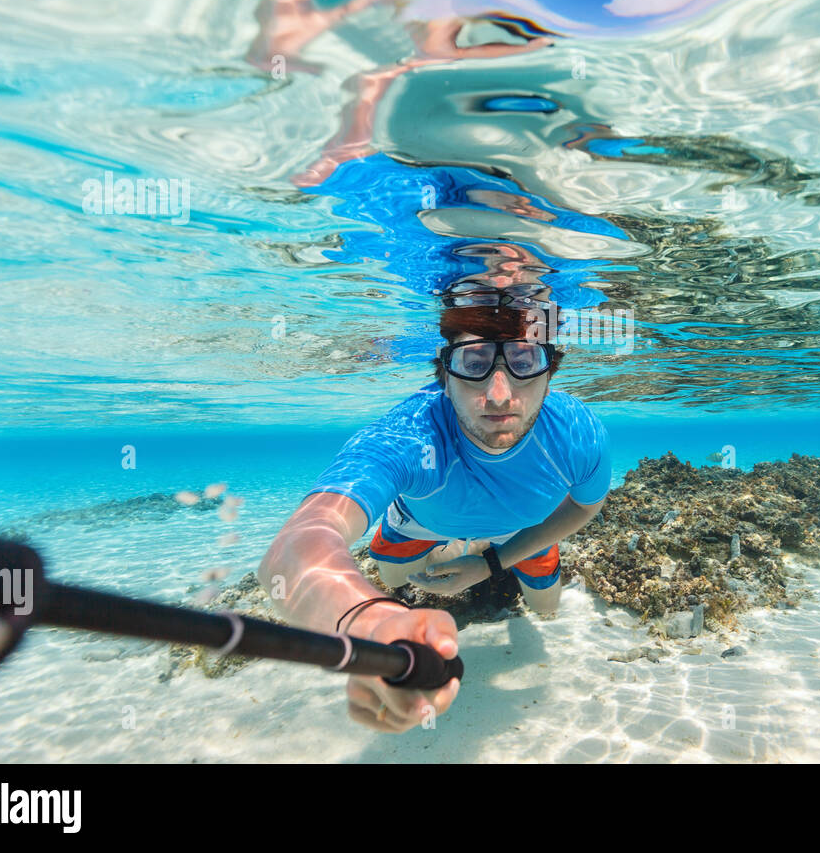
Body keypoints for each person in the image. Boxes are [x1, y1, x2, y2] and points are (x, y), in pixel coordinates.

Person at [258, 300, 611, 732]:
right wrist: (370, 622)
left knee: (546, 608)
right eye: (473, 362)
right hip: (423, 521)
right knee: (392, 582)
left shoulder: (578, 435)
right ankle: (437, 543)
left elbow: (585, 505)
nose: (500, 394)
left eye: (524, 360)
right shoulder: (410, 434)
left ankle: (489, 549)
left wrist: (492, 563)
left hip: (524, 526)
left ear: (549, 374)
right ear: (444, 376)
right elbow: (294, 547)